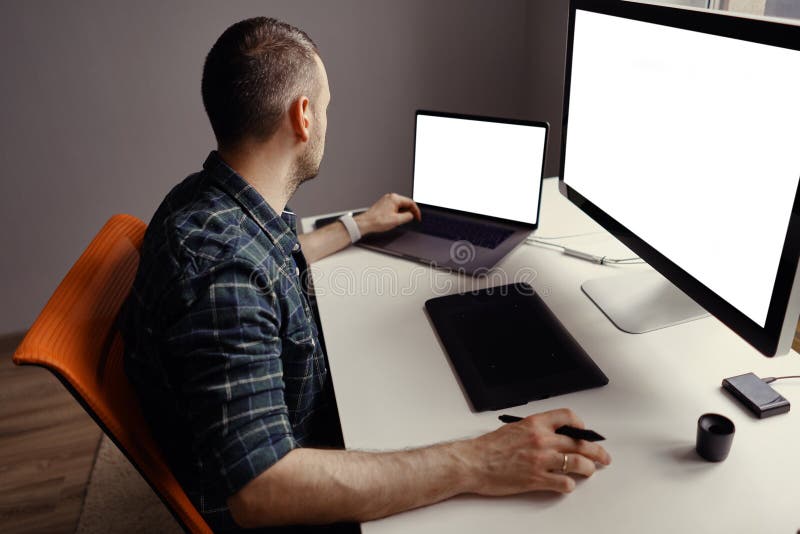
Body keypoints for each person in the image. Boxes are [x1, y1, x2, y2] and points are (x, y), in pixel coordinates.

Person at [120, 16, 611, 533]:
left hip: (290, 418)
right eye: (327, 105)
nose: (330, 119)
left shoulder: (206, 203)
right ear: (303, 117)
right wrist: (479, 462)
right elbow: (262, 491)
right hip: (286, 485)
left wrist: (358, 225)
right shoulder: (221, 275)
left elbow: (267, 262)